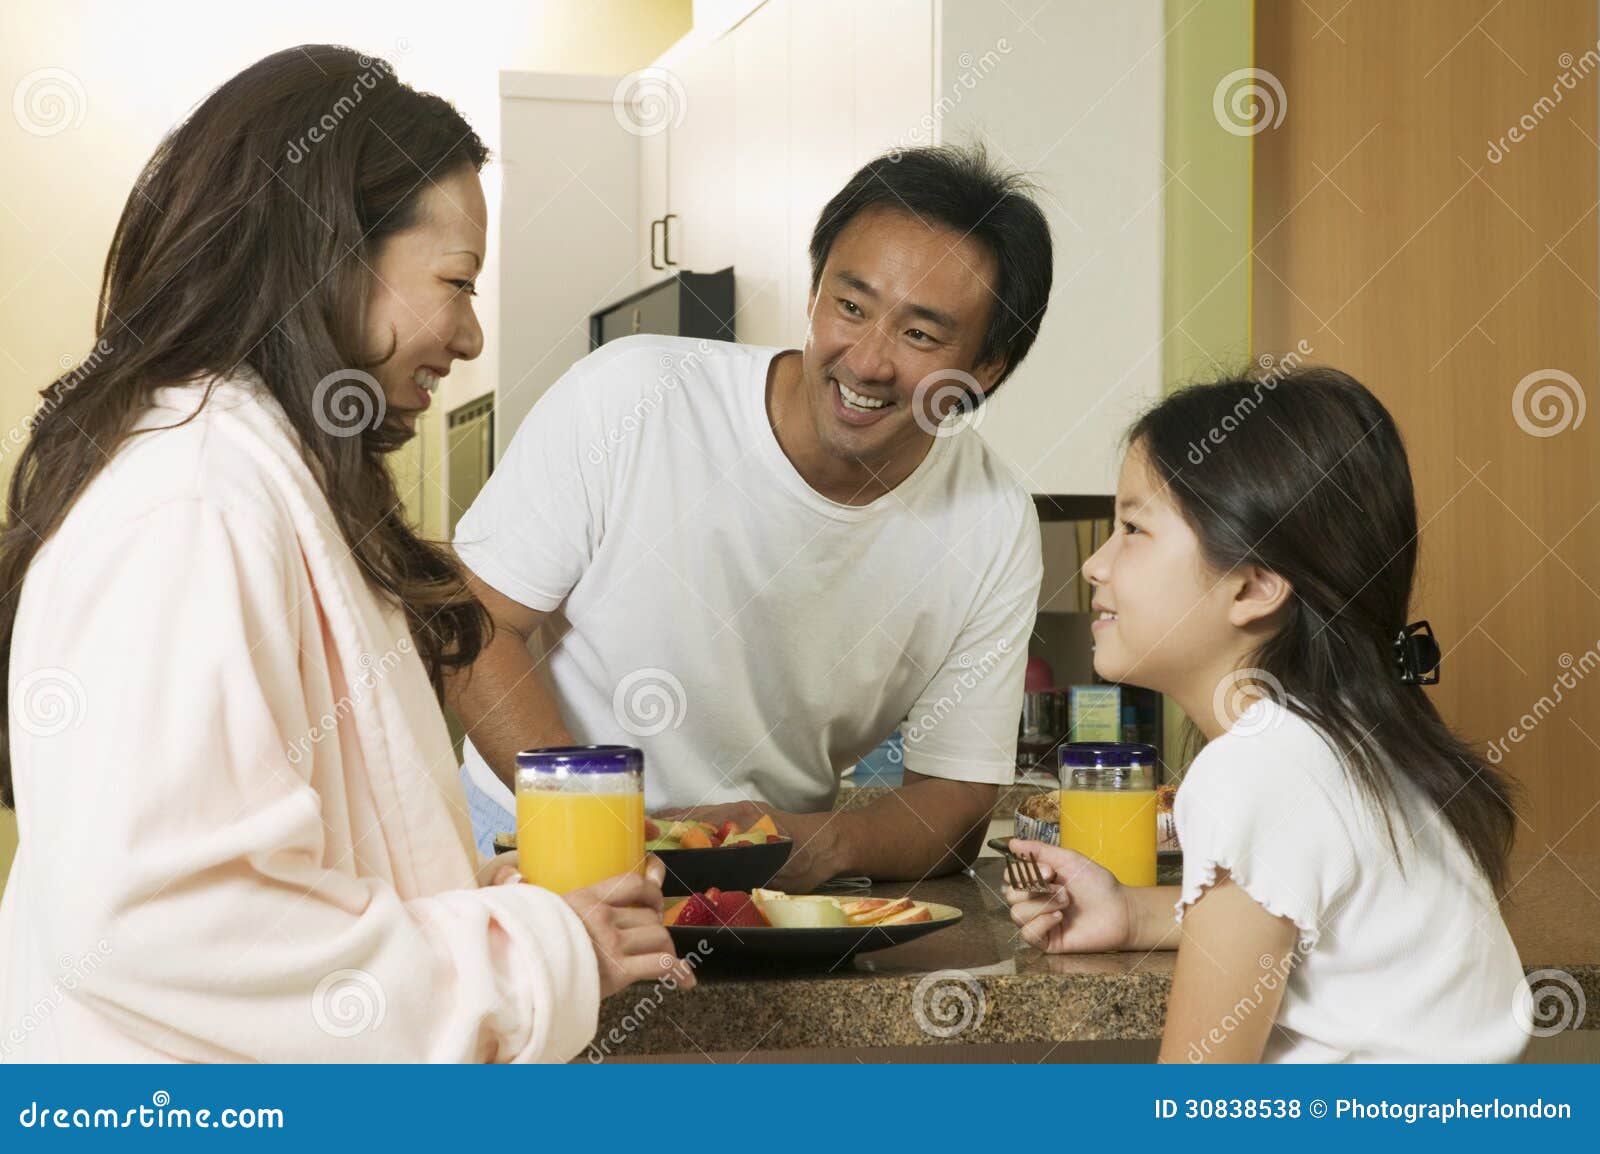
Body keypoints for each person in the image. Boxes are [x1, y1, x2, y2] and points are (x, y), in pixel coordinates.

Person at [0, 45, 681, 1065]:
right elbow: (160, 925)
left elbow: (304, 876)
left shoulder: (258, 483)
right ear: (327, 254)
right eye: (455, 281)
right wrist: (531, 959)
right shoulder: (194, 502)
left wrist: (517, 919)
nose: (469, 334)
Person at [449, 146, 1052, 891]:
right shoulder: (632, 394)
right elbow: (470, 627)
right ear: (813, 293)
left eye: (920, 335)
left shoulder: (991, 523)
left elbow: (956, 803)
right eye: (850, 306)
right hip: (524, 839)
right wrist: (604, 837)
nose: (866, 361)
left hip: (769, 886)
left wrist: (820, 844)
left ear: (987, 367)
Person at [1004, 366, 1529, 1062]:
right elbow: (1301, 918)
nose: (1096, 565)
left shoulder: (1258, 771)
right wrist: (1128, 911)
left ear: (1252, 586)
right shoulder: (1347, 737)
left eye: (1132, 528)